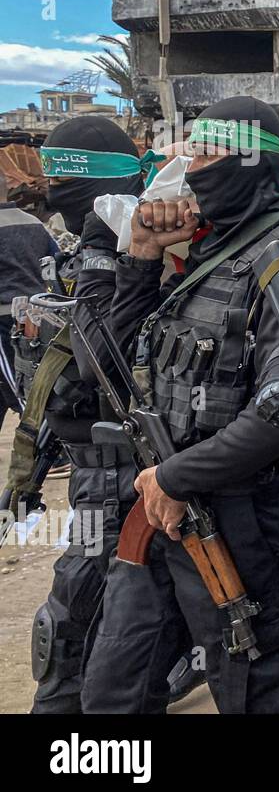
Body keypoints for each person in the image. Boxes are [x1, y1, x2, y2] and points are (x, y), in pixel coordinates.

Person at [80, 96, 279, 714]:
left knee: (260, 698)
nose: (188, 170)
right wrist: (143, 259)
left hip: (235, 518)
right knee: (112, 694)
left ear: (256, 165)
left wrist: (178, 478)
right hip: (158, 509)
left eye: (206, 155)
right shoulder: (209, 255)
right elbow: (118, 378)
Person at [4, 117, 148, 712]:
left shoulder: (142, 257)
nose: (52, 187)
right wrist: (27, 475)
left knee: (71, 626)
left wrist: (100, 260)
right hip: (92, 466)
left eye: (66, 175)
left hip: (124, 470)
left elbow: (100, 363)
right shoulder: (71, 253)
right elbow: (50, 383)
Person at [0, 173, 59, 426]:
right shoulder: (33, 223)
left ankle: (46, 446)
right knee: (27, 383)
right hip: (35, 319)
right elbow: (56, 262)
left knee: (21, 393)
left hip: (3, 320)